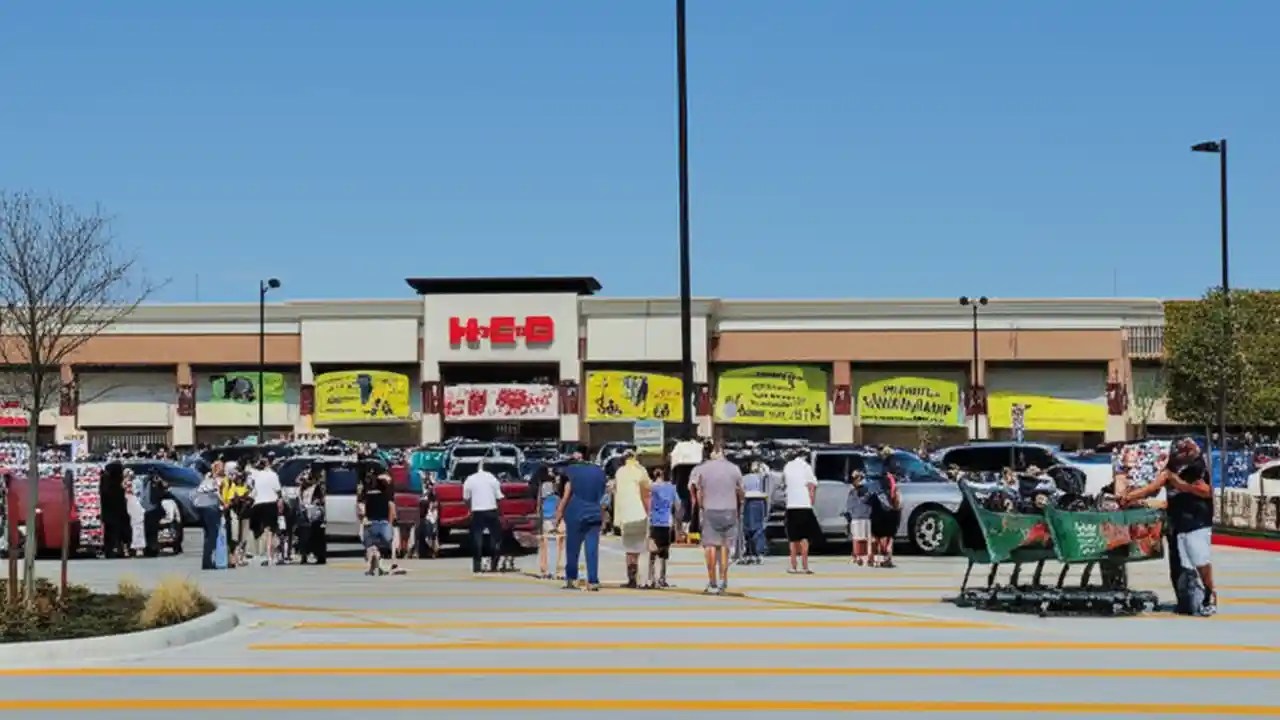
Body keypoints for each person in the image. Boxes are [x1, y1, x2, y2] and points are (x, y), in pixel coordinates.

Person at [1124, 437, 1216, 615]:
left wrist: (1177, 483)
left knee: (1199, 562)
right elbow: (1154, 487)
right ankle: (1186, 602)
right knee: (1181, 566)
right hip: (1177, 522)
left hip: (1196, 521)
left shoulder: (1198, 467)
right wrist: (1131, 496)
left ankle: (1208, 596)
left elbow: (1206, 491)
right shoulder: (1172, 468)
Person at [690, 444, 745, 594]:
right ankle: (723, 580)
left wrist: (700, 506)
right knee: (725, 546)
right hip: (730, 510)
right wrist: (739, 507)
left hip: (710, 509)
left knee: (710, 545)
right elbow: (741, 492)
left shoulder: (701, 469)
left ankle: (712, 581)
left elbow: (696, 491)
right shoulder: (734, 469)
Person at [554, 450, 607, 591]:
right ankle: (593, 581)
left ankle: (571, 579)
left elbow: (566, 496)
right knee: (592, 549)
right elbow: (604, 497)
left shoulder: (572, 472)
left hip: (575, 513)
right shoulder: (599, 472)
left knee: (572, 549)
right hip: (594, 512)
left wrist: (558, 515)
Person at [612, 451, 652, 588]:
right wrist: (649, 512)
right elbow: (646, 494)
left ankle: (631, 579)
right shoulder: (641, 471)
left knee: (629, 549)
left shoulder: (619, 472)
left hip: (624, 517)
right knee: (641, 548)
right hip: (639, 514)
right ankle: (643, 581)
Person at [463, 461, 504, 574]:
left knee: (477, 538)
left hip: (477, 511)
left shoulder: (470, 479)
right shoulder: (493, 479)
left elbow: (466, 497)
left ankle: (477, 566)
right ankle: (494, 564)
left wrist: (470, 508)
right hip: (491, 509)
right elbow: (499, 497)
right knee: (495, 538)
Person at [781, 450, 819, 574]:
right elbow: (812, 485)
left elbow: (784, 484)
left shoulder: (787, 466)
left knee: (793, 538)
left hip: (791, 505)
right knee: (805, 538)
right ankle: (805, 566)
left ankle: (793, 566)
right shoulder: (806, 467)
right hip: (804, 505)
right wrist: (811, 499)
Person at [359, 471, 400, 576]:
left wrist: (363, 519)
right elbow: (392, 511)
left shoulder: (368, 495)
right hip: (384, 523)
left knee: (371, 545)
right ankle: (379, 566)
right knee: (384, 545)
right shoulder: (387, 496)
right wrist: (391, 523)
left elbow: (362, 511)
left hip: (371, 522)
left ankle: (373, 567)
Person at [646, 467, 679, 588]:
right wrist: (677, 521)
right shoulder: (671, 488)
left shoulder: (652, 488)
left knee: (652, 552)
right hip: (667, 523)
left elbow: (648, 504)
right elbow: (678, 505)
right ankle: (662, 578)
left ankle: (651, 578)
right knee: (664, 552)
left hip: (654, 522)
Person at [247, 457, 283, 567]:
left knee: (261, 531)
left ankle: (263, 554)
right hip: (270, 503)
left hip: (258, 504)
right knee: (271, 531)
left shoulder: (257, 475)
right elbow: (278, 490)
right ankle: (270, 556)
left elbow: (253, 490)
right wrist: (280, 501)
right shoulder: (273, 475)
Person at [536, 466, 565, 579]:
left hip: (550, 517)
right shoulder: (557, 486)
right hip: (554, 517)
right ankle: (557, 571)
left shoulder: (545, 486)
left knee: (547, 544)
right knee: (558, 545)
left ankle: (546, 570)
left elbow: (539, 503)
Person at [192, 470, 223, 570]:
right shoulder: (217, 481)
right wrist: (224, 504)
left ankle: (206, 562)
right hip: (210, 507)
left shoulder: (205, 481)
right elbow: (218, 494)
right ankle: (207, 562)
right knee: (212, 535)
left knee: (208, 535)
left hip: (200, 508)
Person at [296, 468, 327, 565]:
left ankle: (319, 556)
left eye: (308, 478)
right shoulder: (301, 489)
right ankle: (304, 555)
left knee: (317, 535)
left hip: (315, 514)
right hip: (304, 514)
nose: (305, 481)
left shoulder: (316, 487)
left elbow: (321, 500)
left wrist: (317, 502)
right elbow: (297, 481)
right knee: (303, 536)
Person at [741, 460, 769, 564]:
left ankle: (748, 552)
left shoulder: (743, 479)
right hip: (759, 501)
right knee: (758, 528)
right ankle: (759, 552)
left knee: (747, 529)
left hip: (747, 502)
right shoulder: (759, 477)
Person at [98, 462, 128, 558]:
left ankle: (111, 550)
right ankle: (116, 549)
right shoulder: (114, 482)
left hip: (108, 512)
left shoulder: (105, 481)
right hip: (116, 511)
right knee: (116, 531)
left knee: (110, 532)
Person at [845, 470, 873, 566]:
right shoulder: (855, 491)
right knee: (860, 538)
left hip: (861, 517)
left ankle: (863, 557)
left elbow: (850, 505)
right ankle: (860, 557)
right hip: (860, 517)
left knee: (861, 538)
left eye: (859, 478)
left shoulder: (862, 491)